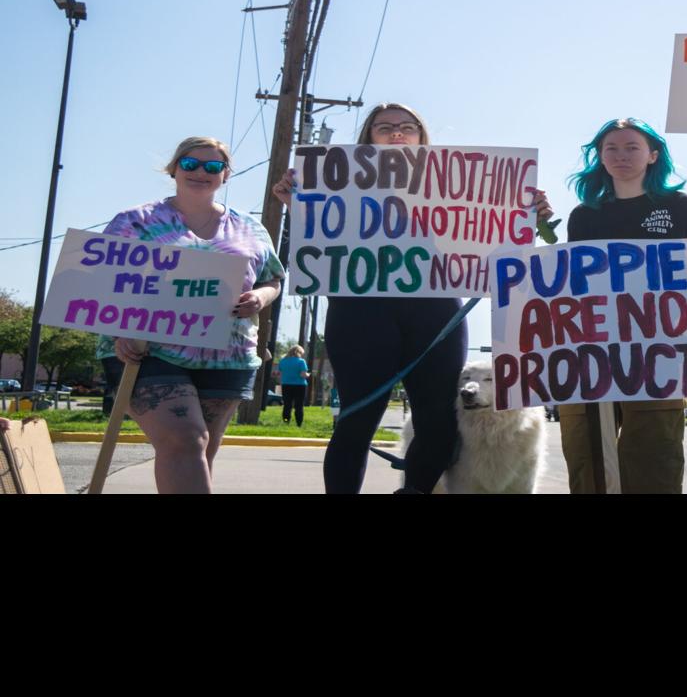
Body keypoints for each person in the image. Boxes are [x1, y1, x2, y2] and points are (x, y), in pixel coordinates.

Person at [272, 102, 553, 493]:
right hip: (359, 313)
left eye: (407, 126)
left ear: (423, 138)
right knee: (356, 421)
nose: (396, 133)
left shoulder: (457, 188)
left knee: (438, 422)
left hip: (435, 312)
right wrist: (299, 206)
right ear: (368, 137)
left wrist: (523, 218)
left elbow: (493, 250)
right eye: (384, 127)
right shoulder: (332, 184)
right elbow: (309, 248)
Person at [99, 136, 285, 494]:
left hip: (226, 354)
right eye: (191, 164)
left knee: (202, 449)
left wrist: (260, 299)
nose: (201, 172)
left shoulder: (251, 228)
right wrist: (119, 330)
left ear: (226, 175)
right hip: (146, 349)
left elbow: (272, 278)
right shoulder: (136, 221)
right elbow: (102, 279)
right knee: (186, 439)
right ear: (174, 169)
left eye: (213, 166)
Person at [557, 118, 687, 494]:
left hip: (660, 350)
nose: (621, 156)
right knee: (588, 455)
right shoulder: (583, 215)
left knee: (654, 455)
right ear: (600, 159)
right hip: (593, 351)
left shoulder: (680, 207)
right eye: (611, 149)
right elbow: (574, 285)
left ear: (653, 155)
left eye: (632, 147)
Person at [278, 345, 310, 427]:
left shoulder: (283, 361)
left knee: (287, 405)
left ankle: (286, 421)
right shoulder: (301, 361)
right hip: (300, 386)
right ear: (299, 352)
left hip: (286, 385)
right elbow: (303, 375)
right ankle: (299, 424)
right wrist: (308, 375)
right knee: (299, 405)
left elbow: (279, 373)